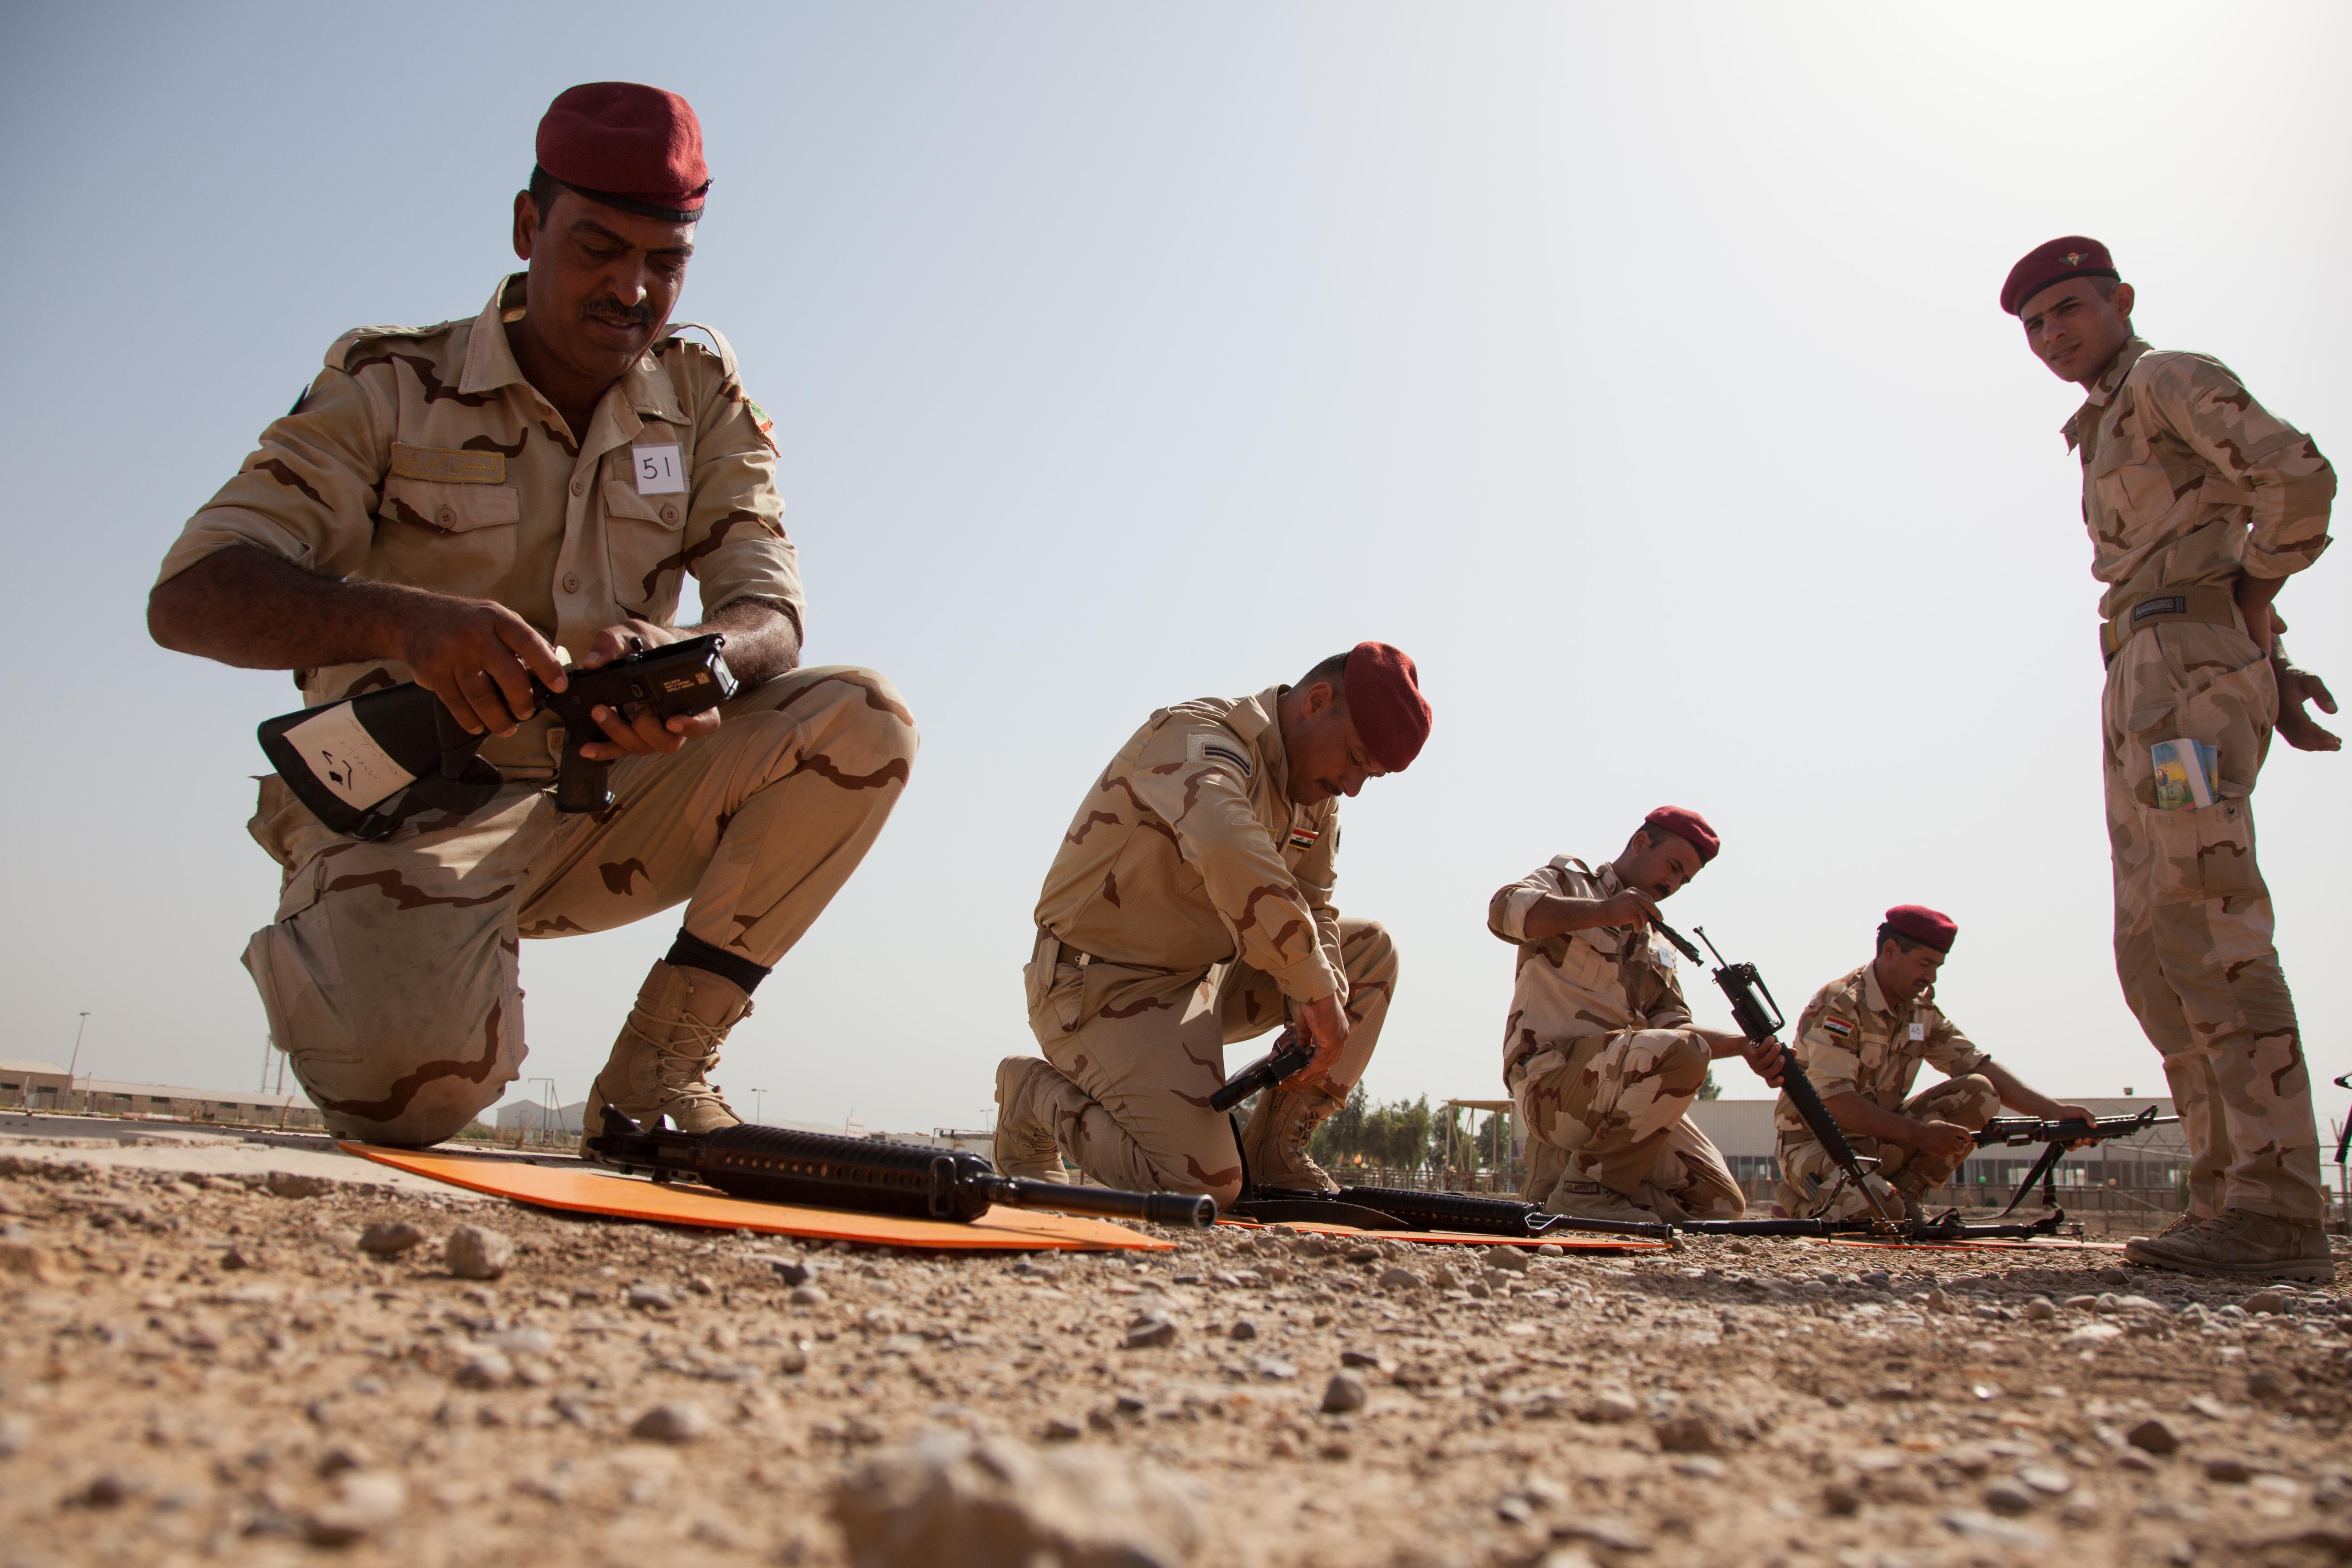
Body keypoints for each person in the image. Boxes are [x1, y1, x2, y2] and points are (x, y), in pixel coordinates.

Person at [146, 83, 918, 1149]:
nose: (631, 287)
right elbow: (190, 595)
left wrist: (686, 661)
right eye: (598, 247)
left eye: (664, 261)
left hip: (598, 798)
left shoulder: (697, 390)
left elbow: (770, 611)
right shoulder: (389, 385)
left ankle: (657, 1071)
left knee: (861, 719)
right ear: (527, 226)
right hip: (408, 807)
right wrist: (405, 623)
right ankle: (370, 930)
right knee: (406, 1097)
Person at [2003, 236, 2336, 1280]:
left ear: (2118, 302)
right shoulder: (2099, 424)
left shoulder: (2162, 379)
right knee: (2151, 949)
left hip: (2179, 678)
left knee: (2206, 916)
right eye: (2034, 325)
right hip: (2146, 680)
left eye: (2067, 309)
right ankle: (2225, 1193)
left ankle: (2277, 1206)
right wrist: (2263, 665)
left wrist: (2253, 607)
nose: (2053, 334)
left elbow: (2295, 476)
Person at [991, 645, 1430, 1207]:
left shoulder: (1314, 796)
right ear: (1316, 701)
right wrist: (1310, 985)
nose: (1351, 786)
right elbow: (1227, 844)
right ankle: (1032, 1097)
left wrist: (1323, 1001)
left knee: (1370, 950)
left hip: (1204, 981)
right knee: (1201, 1187)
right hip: (1099, 984)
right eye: (1353, 758)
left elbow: (1316, 905)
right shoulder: (1201, 737)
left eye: (1369, 775)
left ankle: (1276, 1150)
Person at [1487, 808, 1788, 1226]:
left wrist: (1742, 1047)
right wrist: (1605, 912)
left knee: (1721, 1205)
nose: (1672, 884)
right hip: (1550, 1084)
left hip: (1615, 1096)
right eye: (1674, 866)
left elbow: (1675, 1030)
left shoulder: (1657, 943)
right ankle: (1587, 1193)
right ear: (1642, 842)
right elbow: (1503, 912)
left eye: (1684, 880)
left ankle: (1569, 1181)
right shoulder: (1571, 883)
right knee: (1684, 1053)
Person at [1774, 907, 2090, 1221]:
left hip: (1878, 1142)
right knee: (1879, 1212)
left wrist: (2055, 1113)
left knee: (1980, 1092)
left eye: (1937, 966)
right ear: (1890, 951)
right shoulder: (1840, 1004)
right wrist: (1921, 1134)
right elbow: (1836, 1102)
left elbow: (1977, 1065)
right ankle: (1797, 1203)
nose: (1931, 976)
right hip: (1817, 1145)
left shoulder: (1920, 1011)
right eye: (1925, 964)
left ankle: (1907, 1195)